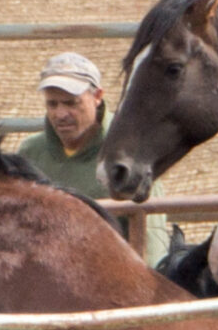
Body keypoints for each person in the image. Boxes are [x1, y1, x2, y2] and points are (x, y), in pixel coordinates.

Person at [17, 52, 167, 263]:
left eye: (71, 103)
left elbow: (151, 235)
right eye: (52, 104)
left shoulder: (130, 153)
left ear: (97, 97)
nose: (60, 114)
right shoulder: (31, 153)